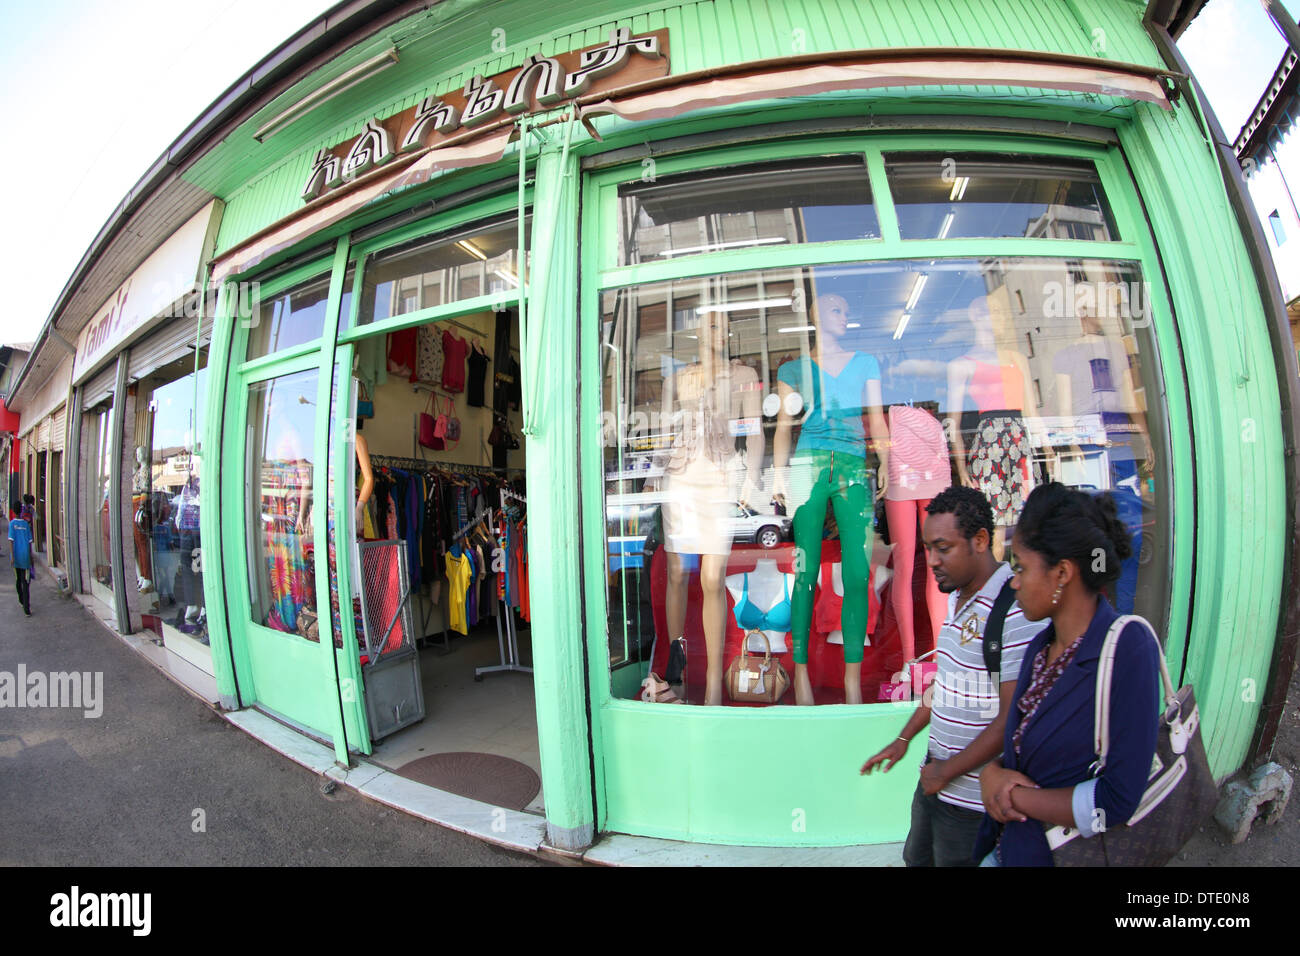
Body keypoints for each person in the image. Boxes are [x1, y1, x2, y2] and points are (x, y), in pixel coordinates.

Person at [974, 482, 1160, 867]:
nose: (1014, 581)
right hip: (1007, 849)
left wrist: (1011, 796)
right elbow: (1023, 754)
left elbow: (1117, 801)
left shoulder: (1128, 648)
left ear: (1061, 573)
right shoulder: (1040, 648)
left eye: (1021, 567)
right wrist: (992, 772)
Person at [861, 486, 1043, 866]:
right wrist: (904, 738)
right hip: (935, 780)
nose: (932, 560)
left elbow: (1012, 717)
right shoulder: (957, 596)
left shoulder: (1014, 609)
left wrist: (946, 772)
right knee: (917, 859)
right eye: (928, 548)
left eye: (943, 548)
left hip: (975, 798)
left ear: (979, 541)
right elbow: (945, 684)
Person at [8, 500, 33, 616]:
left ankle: (21, 600)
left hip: (16, 557)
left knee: (18, 579)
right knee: (26, 582)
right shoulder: (26, 525)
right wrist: (31, 557)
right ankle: (27, 608)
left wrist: (12, 557)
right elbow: (29, 543)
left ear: (13, 511)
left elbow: (11, 542)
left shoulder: (12, 524)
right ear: (21, 511)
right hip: (25, 556)